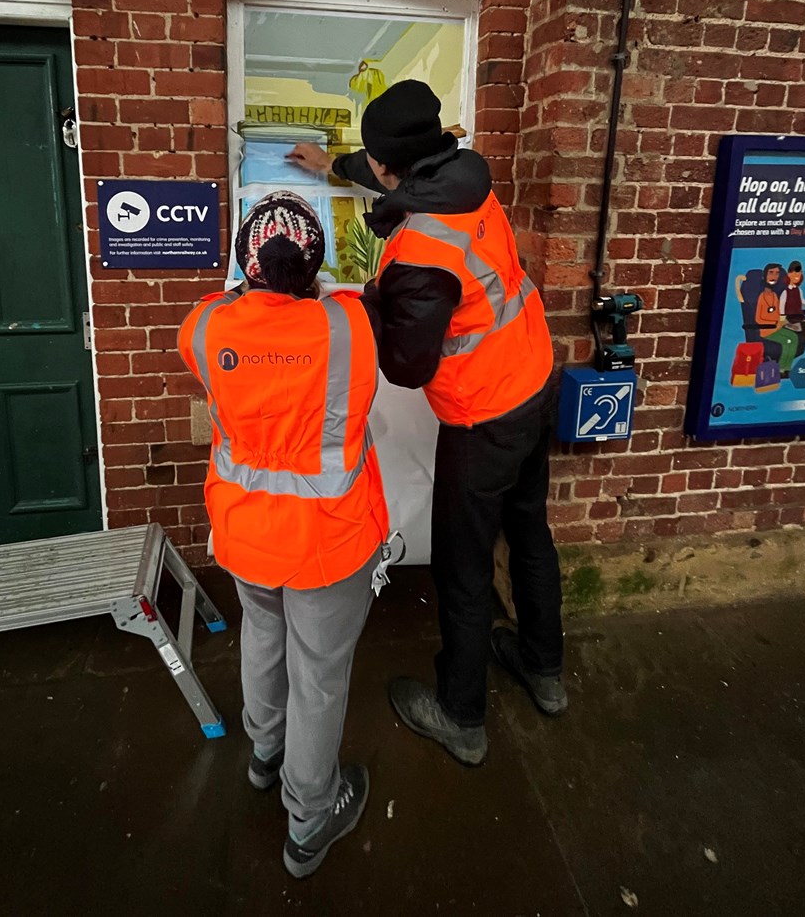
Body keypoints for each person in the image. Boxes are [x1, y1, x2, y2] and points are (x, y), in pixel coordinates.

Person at [288, 80, 565, 769]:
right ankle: (543, 669)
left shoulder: (418, 252)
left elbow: (409, 366)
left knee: (464, 567)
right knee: (529, 530)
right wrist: (333, 167)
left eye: (372, 162)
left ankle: (461, 713)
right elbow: (401, 176)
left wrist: (363, 304)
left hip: (485, 416)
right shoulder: (466, 179)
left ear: (390, 164)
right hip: (535, 376)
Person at [178, 191, 389, 878]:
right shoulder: (351, 327)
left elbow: (230, 310)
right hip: (327, 544)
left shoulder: (205, 329)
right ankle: (310, 820)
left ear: (245, 264)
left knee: (262, 640)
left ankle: (265, 755)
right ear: (313, 266)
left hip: (245, 536)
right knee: (320, 679)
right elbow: (345, 300)